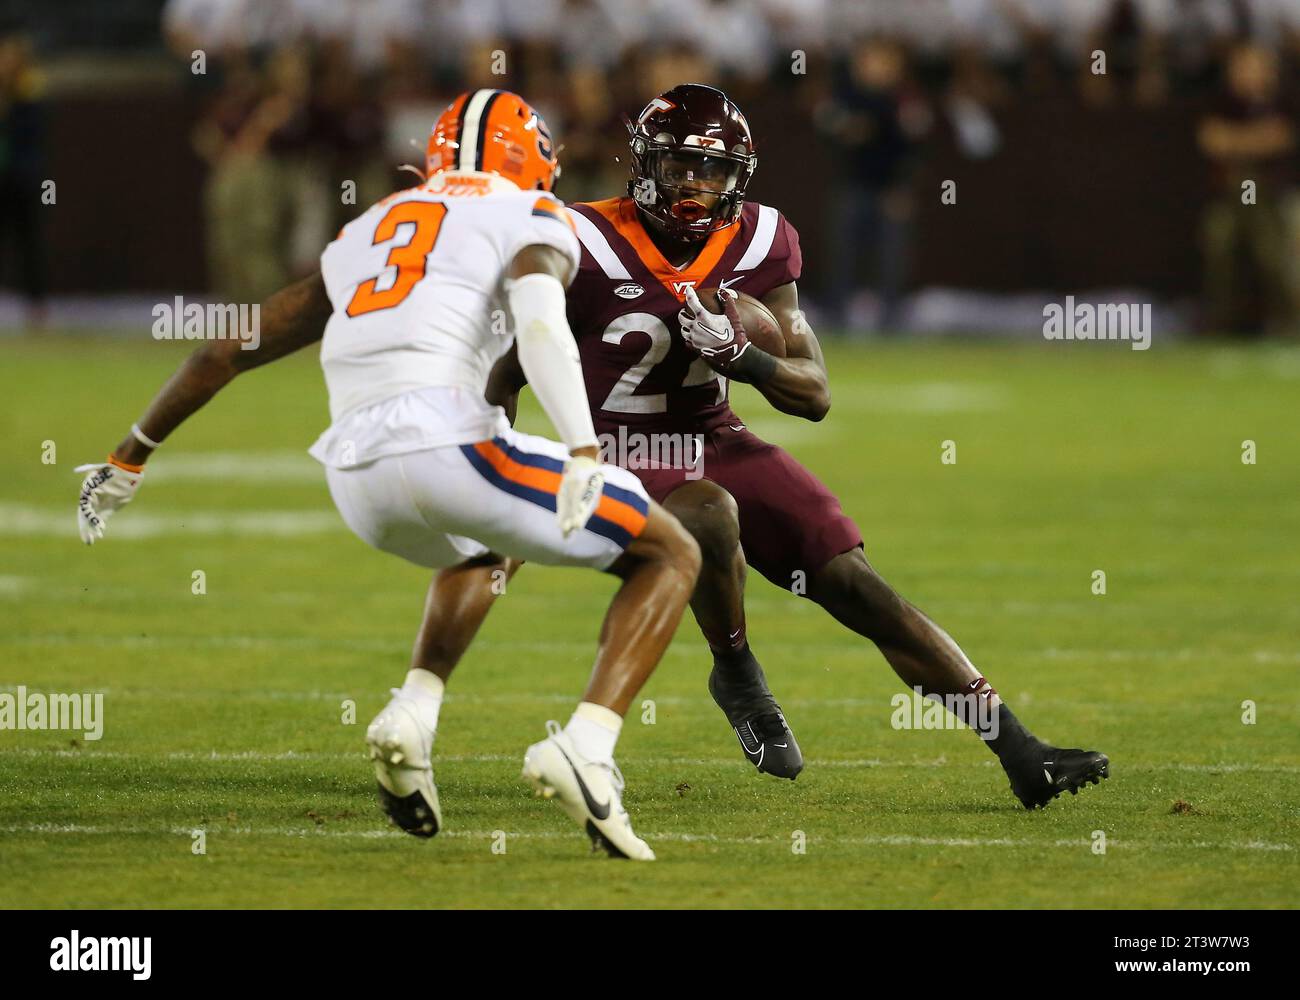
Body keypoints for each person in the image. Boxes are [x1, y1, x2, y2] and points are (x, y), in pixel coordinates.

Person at [424, 83, 1109, 809]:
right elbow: (505, 367)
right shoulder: (577, 237)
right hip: (613, 446)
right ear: (644, 165)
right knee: (711, 515)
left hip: (714, 436)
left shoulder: (760, 239)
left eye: (713, 172)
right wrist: (492, 460)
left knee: (854, 581)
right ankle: (737, 670)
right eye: (681, 166)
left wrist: (742, 359)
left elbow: (814, 395)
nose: (695, 185)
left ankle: (1019, 751)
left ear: (739, 178)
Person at [73, 89, 700, 861]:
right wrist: (580, 447)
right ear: (536, 162)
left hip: (355, 479)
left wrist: (130, 453)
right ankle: (586, 747)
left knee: (482, 544)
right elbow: (539, 320)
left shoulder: (372, 226)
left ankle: (413, 712)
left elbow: (228, 347)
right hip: (446, 452)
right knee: (670, 552)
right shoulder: (533, 214)